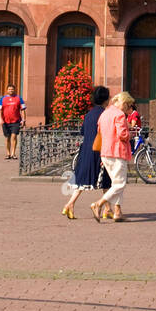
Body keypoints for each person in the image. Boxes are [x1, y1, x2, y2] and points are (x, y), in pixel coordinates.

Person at [62, 86, 110, 219]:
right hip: (99, 151)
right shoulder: (104, 114)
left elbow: (83, 132)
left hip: (86, 150)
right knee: (106, 179)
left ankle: (70, 205)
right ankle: (107, 208)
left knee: (83, 180)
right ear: (106, 99)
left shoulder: (89, 114)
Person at [91, 91, 137, 222]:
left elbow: (100, 133)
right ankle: (98, 204)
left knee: (115, 183)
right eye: (128, 106)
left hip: (105, 153)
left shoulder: (104, 113)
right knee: (120, 184)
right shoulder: (119, 115)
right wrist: (131, 135)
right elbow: (122, 135)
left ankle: (117, 213)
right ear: (123, 103)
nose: (128, 109)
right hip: (118, 152)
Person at [0, 83, 25, 160]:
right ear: (7, 90)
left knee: (14, 136)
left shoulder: (19, 98)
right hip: (5, 121)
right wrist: (0, 119)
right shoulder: (2, 99)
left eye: (12, 89)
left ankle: (13, 153)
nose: (11, 90)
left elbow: (23, 110)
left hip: (16, 121)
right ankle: (8, 153)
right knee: (7, 138)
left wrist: (23, 120)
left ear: (14, 90)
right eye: (9, 89)